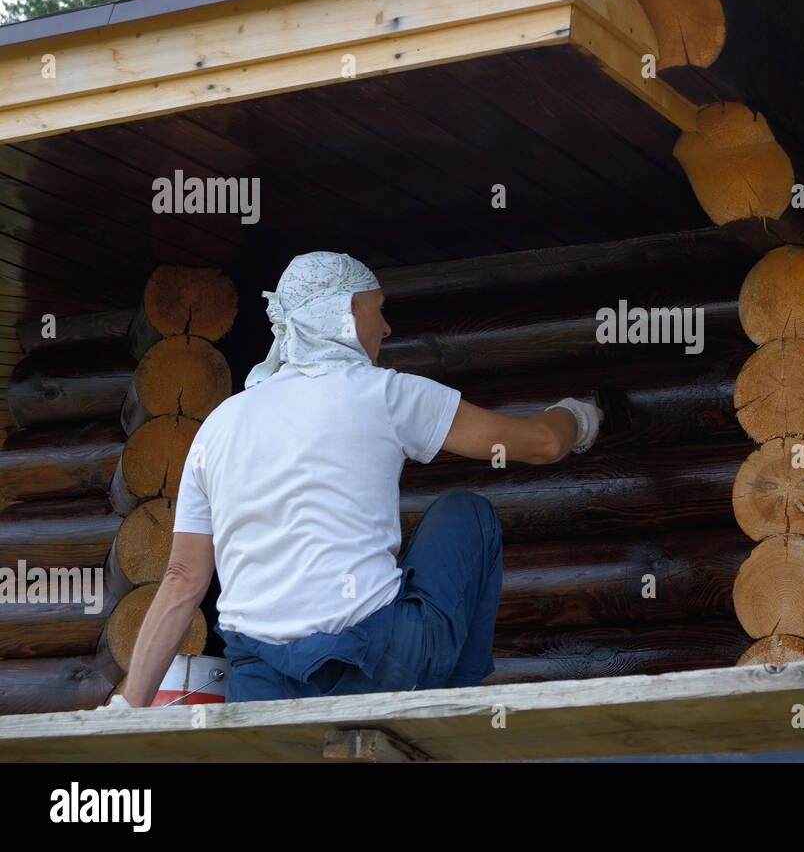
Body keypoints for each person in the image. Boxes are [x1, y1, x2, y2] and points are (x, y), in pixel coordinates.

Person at [117, 252, 602, 706]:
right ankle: (453, 710)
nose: (387, 328)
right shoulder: (385, 393)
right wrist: (579, 415)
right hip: (380, 666)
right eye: (378, 310)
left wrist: (125, 709)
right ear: (346, 313)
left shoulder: (218, 426)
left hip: (261, 686)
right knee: (465, 512)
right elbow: (543, 443)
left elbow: (182, 579)